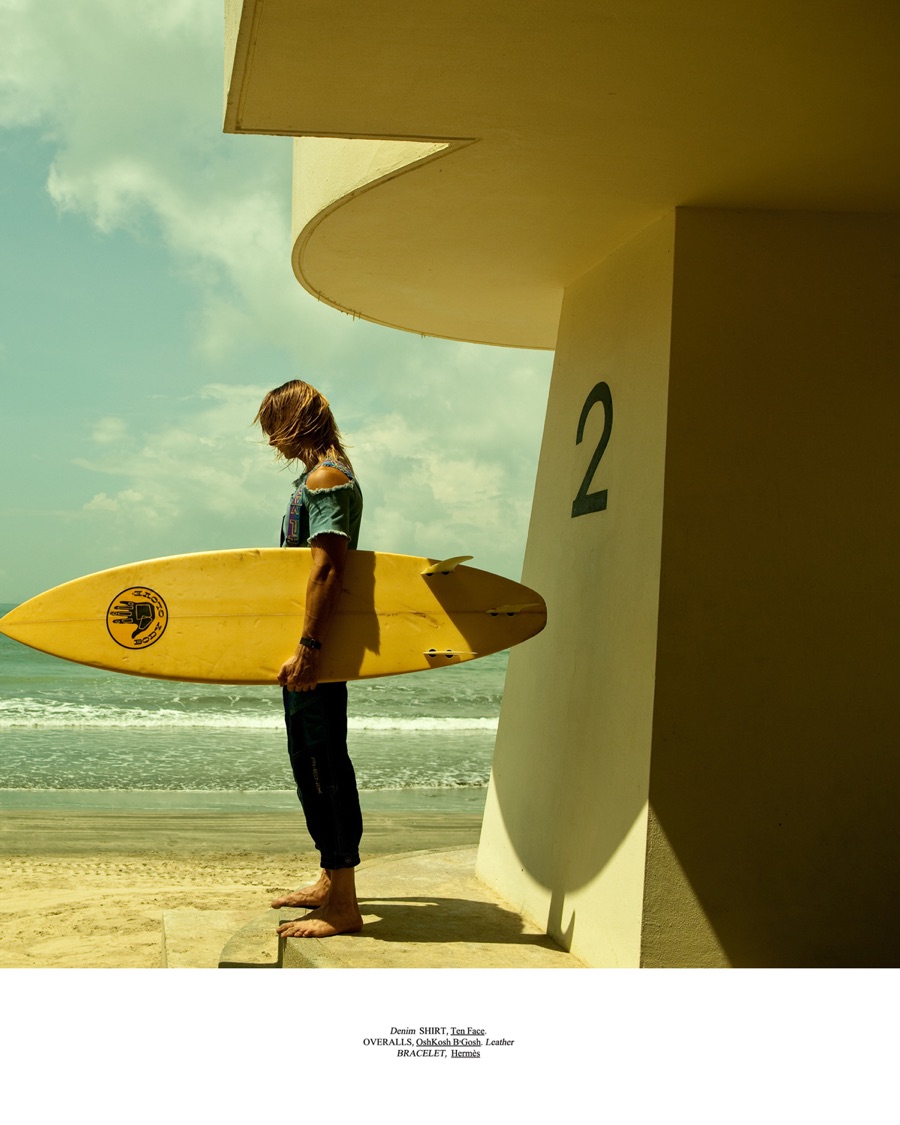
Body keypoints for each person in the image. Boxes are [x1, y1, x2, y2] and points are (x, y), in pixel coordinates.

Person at [254, 379, 364, 938]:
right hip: (310, 644)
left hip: (317, 647)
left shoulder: (327, 479)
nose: (271, 441)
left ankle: (343, 904)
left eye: (274, 426)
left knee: (322, 767)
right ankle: (331, 877)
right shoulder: (318, 477)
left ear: (295, 421)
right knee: (312, 763)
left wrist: (309, 648)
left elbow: (326, 568)